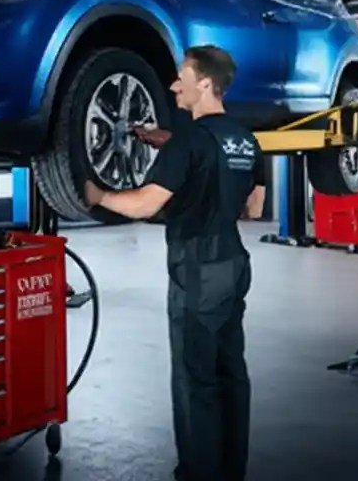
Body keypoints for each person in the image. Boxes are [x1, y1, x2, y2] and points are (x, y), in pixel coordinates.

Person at [83, 45, 266, 481]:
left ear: (204, 83)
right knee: (230, 374)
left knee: (194, 382)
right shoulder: (245, 137)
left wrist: (100, 196)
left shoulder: (188, 142)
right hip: (234, 263)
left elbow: (147, 205)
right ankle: (229, 470)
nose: (172, 84)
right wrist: (190, 165)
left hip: (197, 268)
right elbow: (255, 208)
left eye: (182, 75)